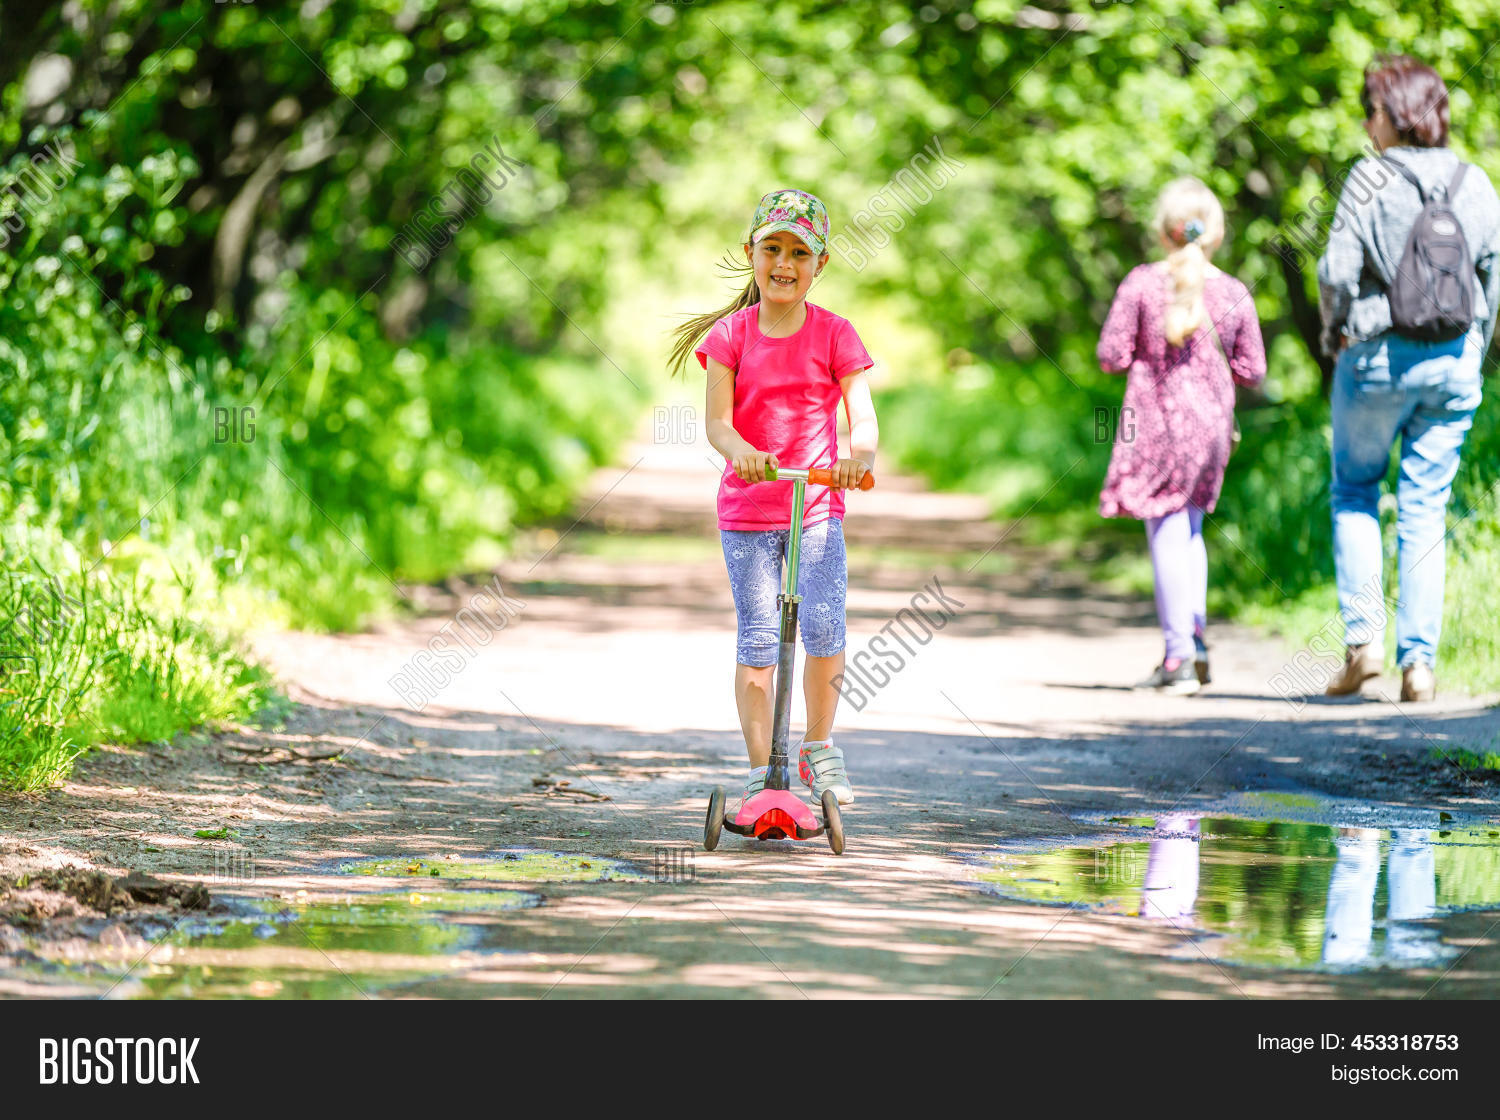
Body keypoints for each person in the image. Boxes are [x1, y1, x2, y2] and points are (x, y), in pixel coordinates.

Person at [668, 188, 879, 810]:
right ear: (751, 254)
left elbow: (862, 417)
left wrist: (858, 460)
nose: (784, 263)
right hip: (748, 511)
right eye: (773, 249)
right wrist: (742, 452)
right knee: (760, 638)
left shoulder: (836, 334)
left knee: (824, 624)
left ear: (820, 263)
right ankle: (762, 772)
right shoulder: (730, 335)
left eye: (799, 253)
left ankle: (818, 747)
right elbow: (717, 423)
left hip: (814, 509)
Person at [1318, 54, 1500, 702]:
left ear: (1394, 114)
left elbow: (1335, 273)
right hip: (1452, 364)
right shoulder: (1474, 180)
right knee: (1425, 506)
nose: (1366, 124)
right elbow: (1492, 276)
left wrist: (1333, 335)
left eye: (1370, 111)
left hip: (1374, 358)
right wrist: (1474, 349)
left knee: (1355, 491)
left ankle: (1362, 643)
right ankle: (1418, 665)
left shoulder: (1369, 177)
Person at [1097, 177, 1267, 694]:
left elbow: (1111, 356)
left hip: (1155, 426)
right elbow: (1253, 370)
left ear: (1162, 232)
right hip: (1212, 429)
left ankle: (1178, 657)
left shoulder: (1142, 284)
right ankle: (1195, 641)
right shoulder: (1232, 291)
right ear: (1216, 233)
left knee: (1167, 531)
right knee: (1190, 529)